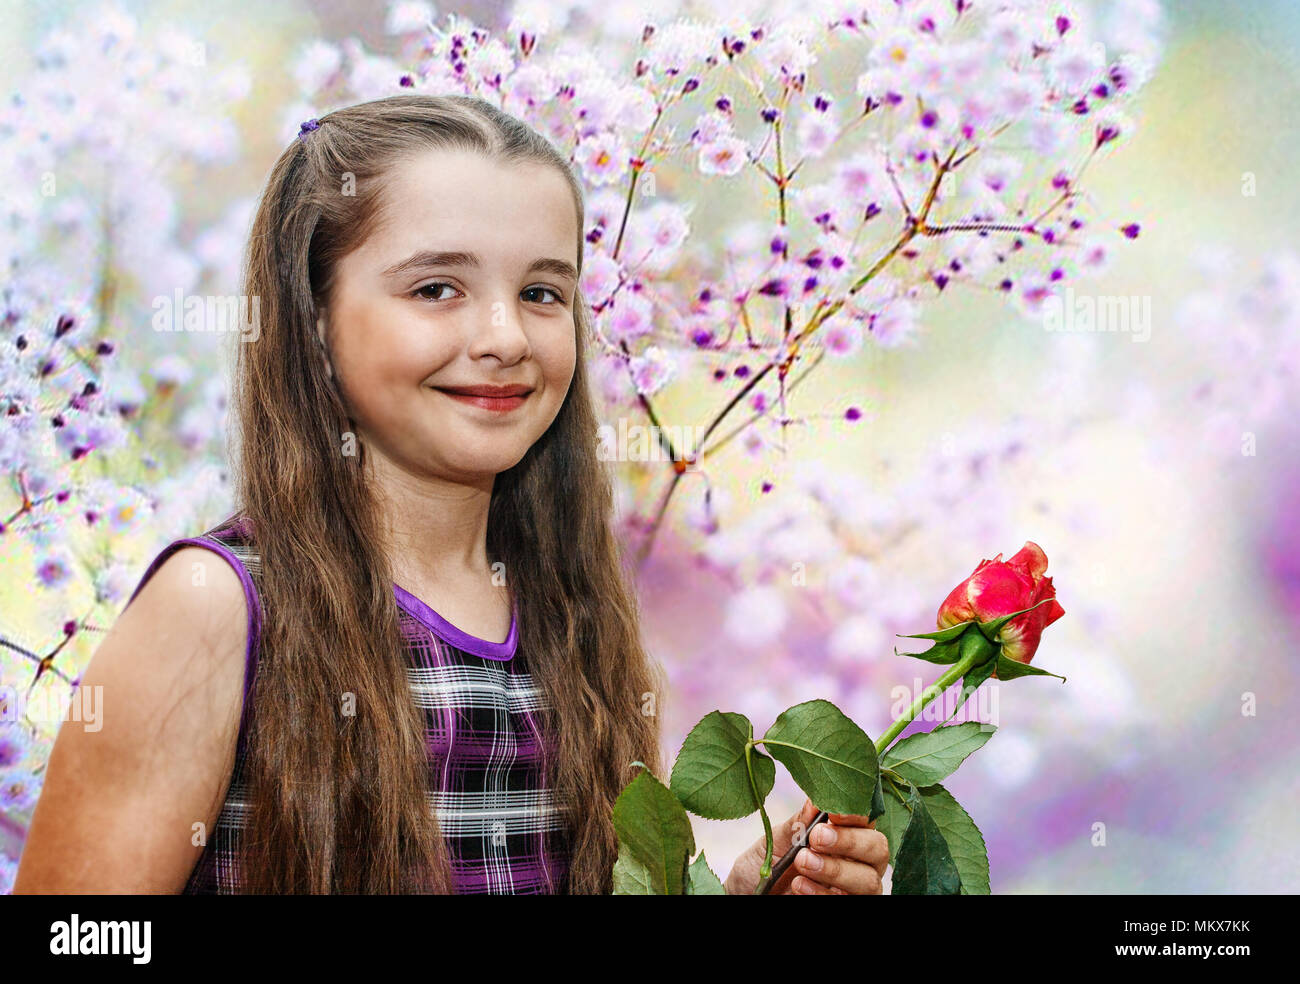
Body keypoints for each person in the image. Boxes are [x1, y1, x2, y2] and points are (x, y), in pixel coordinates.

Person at [14, 93, 887, 894]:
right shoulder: (221, 607)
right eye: (437, 289)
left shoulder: (573, 614)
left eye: (541, 292)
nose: (504, 336)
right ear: (312, 317)